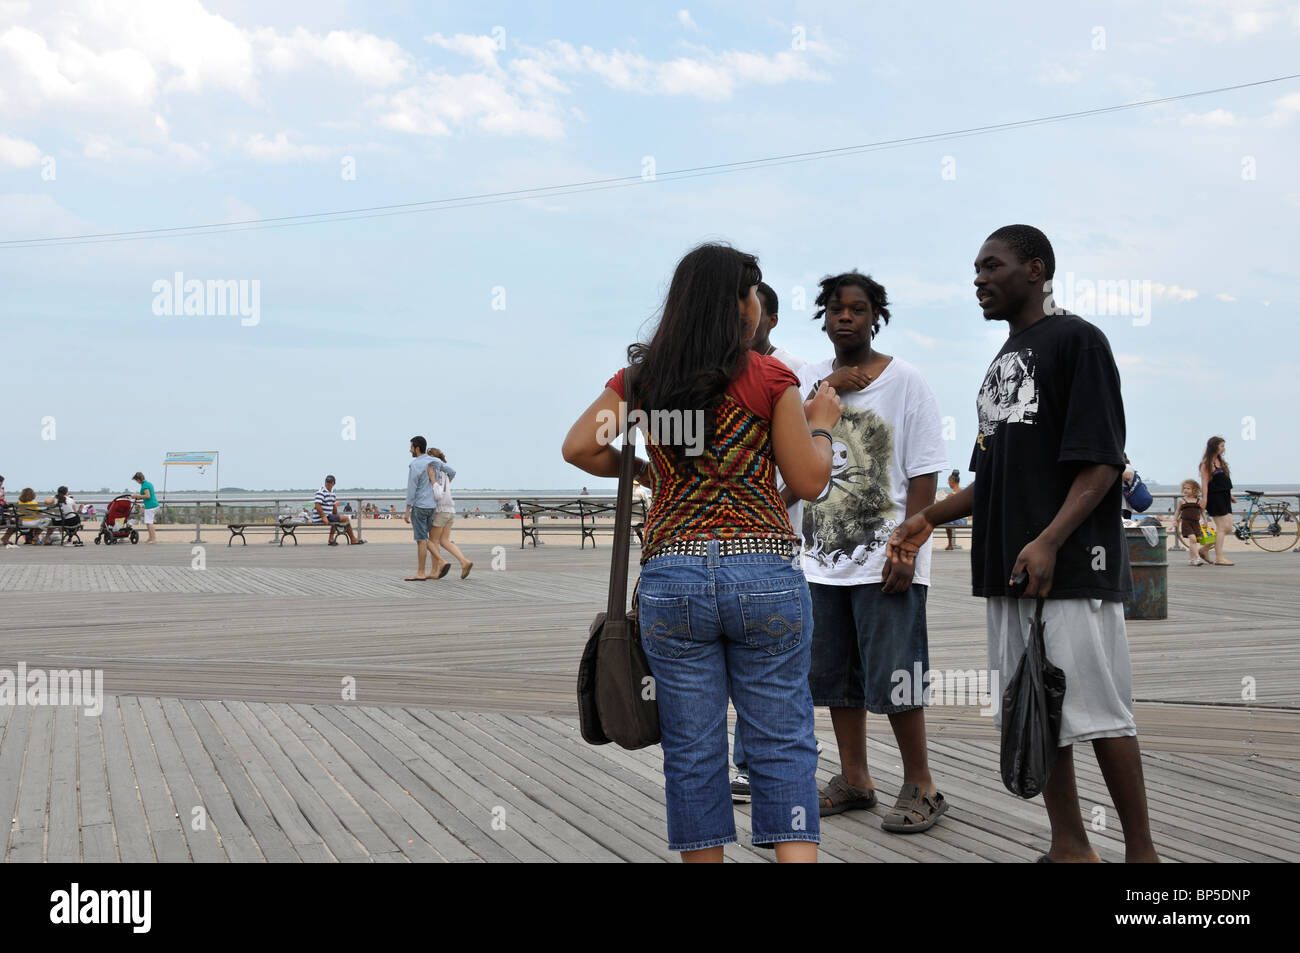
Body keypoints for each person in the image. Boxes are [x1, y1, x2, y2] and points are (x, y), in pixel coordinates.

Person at [562, 242, 841, 862]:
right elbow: (808, 479)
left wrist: (646, 472)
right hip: (763, 569)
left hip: (673, 573)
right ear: (740, 305)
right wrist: (820, 421)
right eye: (753, 295)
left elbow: (580, 447)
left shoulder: (642, 380)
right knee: (782, 741)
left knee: (693, 748)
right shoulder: (771, 378)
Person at [889, 225, 1158, 863]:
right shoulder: (1001, 363)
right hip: (1008, 571)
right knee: (1037, 710)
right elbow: (991, 480)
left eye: (992, 266)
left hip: (1067, 570)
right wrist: (925, 518)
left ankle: (1142, 856)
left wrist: (1049, 539)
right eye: (975, 268)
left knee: (1102, 712)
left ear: (1035, 270)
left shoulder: (1078, 342)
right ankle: (1070, 846)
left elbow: (1102, 464)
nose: (978, 279)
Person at [786, 270, 949, 832]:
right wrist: (828, 389)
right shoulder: (807, 380)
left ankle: (922, 784)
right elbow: (791, 451)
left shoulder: (907, 382)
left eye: (858, 308)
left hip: (887, 559)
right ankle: (855, 779)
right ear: (824, 318)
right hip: (821, 562)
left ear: (876, 316)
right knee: (833, 678)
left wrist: (907, 545)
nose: (846, 316)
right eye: (835, 309)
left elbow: (925, 472)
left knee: (897, 677)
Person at [427, 447, 471, 579]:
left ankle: (435, 571)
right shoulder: (446, 474)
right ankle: (464, 561)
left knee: (432, 541)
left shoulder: (435, 473)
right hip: (450, 509)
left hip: (440, 510)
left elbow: (437, 493)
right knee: (444, 540)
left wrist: (431, 478)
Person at [403, 435, 440, 580]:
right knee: (427, 539)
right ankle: (440, 563)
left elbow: (411, 489)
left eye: (411, 447)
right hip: (432, 506)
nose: (409, 450)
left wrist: (407, 509)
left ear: (417, 448)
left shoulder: (415, 464)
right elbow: (451, 471)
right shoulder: (434, 461)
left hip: (419, 506)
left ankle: (421, 572)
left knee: (421, 540)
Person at [1199, 436, 1235, 566]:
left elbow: (1224, 481)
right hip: (1215, 497)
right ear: (1214, 447)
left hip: (1225, 496)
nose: (1224, 449)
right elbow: (1204, 483)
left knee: (1228, 528)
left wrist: (1230, 495)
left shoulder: (1220, 461)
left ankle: (1204, 549)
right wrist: (1205, 500)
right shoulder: (1207, 463)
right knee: (1221, 528)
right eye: (1221, 446)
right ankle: (1220, 557)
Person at [312, 475, 362, 545]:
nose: (328, 483)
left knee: (336, 518)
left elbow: (333, 505)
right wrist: (323, 517)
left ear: (333, 483)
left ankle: (331, 539)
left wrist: (336, 515)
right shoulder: (321, 492)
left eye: (330, 482)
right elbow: (317, 505)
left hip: (328, 516)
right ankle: (353, 539)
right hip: (320, 517)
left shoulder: (332, 492)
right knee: (346, 519)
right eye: (327, 482)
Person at [1173, 479, 1210, 566]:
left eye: (1188, 488)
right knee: (1192, 539)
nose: (1186, 490)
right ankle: (1198, 558)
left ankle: (1191, 559)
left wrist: (1205, 521)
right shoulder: (1182, 501)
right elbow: (1178, 511)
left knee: (1193, 541)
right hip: (1186, 523)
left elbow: (1202, 512)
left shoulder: (1198, 501)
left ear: (1194, 490)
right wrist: (1174, 520)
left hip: (1196, 523)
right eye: (1184, 488)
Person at [941, 470, 968, 550]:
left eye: (948, 481)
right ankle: (950, 544)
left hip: (960, 520)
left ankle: (950, 544)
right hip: (964, 520)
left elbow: (945, 506)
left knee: (946, 521)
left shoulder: (951, 495)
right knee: (948, 519)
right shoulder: (963, 492)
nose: (948, 483)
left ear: (952, 481)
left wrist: (938, 501)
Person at [131, 471, 159, 543]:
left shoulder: (144, 486)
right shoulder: (148, 484)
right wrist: (137, 497)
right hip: (152, 505)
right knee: (148, 522)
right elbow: (145, 496)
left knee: (150, 523)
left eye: (136, 480)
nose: (137, 482)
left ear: (138, 479)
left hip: (151, 506)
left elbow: (147, 496)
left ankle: (153, 539)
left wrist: (137, 496)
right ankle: (150, 538)